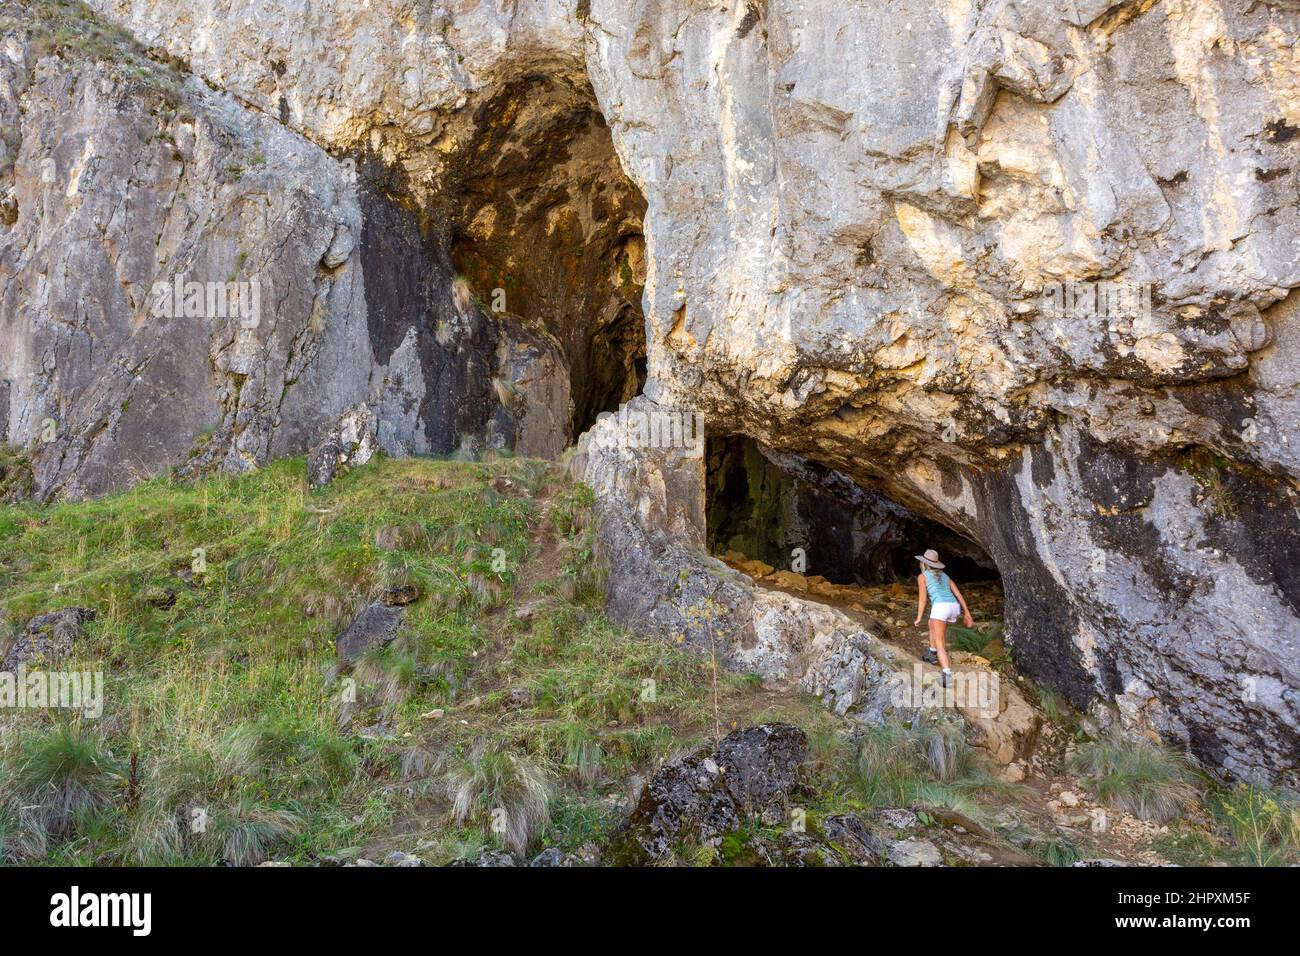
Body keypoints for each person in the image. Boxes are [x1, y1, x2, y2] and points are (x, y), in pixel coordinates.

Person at [912, 549, 973, 688]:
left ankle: (946, 676)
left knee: (941, 643)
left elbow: (923, 600)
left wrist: (918, 617)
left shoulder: (923, 577)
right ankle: (931, 653)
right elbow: (958, 594)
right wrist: (967, 613)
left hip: (941, 608)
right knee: (931, 622)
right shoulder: (945, 576)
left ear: (924, 563)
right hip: (953, 607)